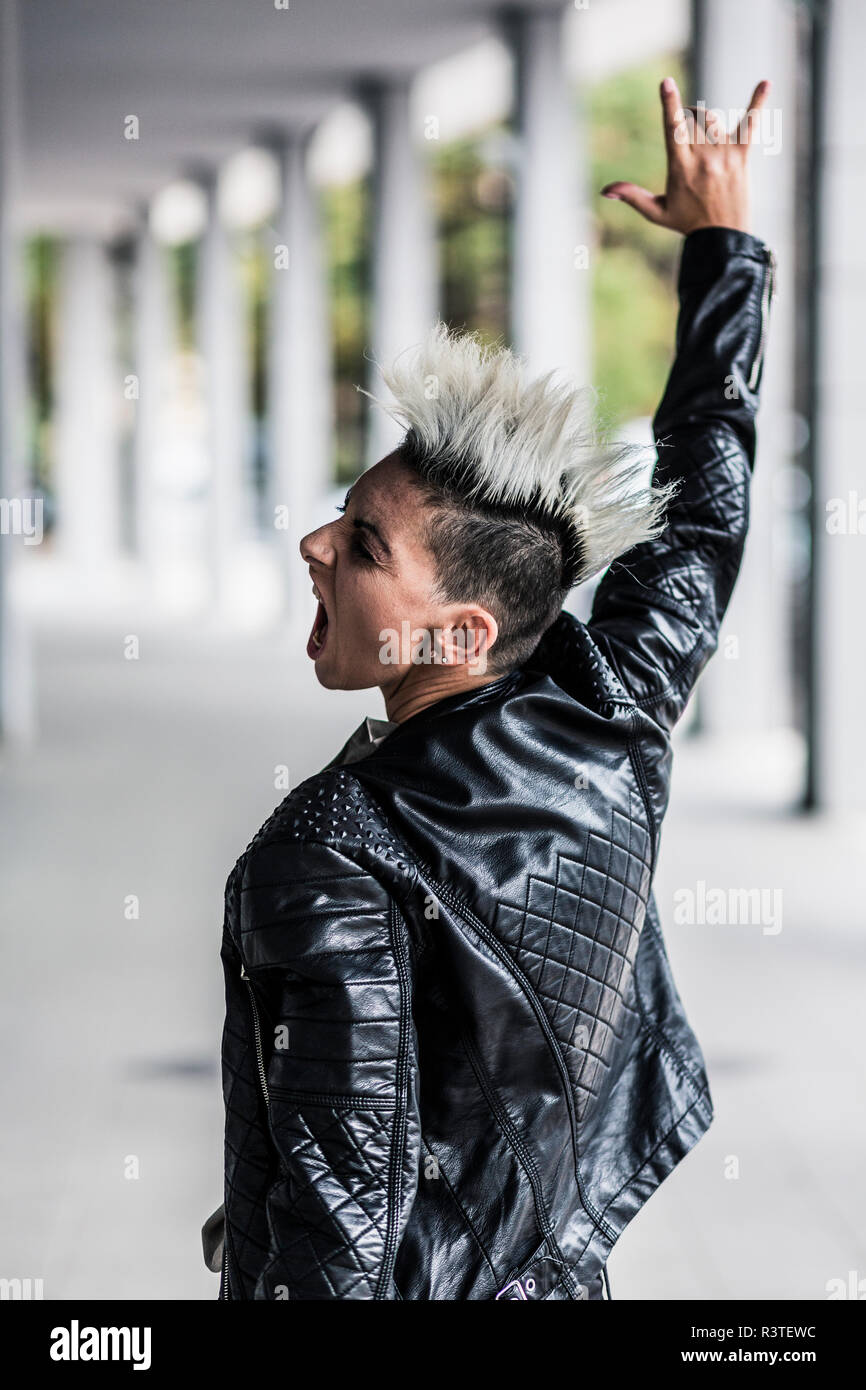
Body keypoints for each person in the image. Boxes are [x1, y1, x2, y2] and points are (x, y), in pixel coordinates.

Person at [212, 76, 775, 1300]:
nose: (314, 544)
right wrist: (724, 248)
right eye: (342, 514)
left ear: (456, 633)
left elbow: (337, 1226)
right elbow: (705, 511)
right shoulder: (611, 711)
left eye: (363, 548)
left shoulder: (326, 854)